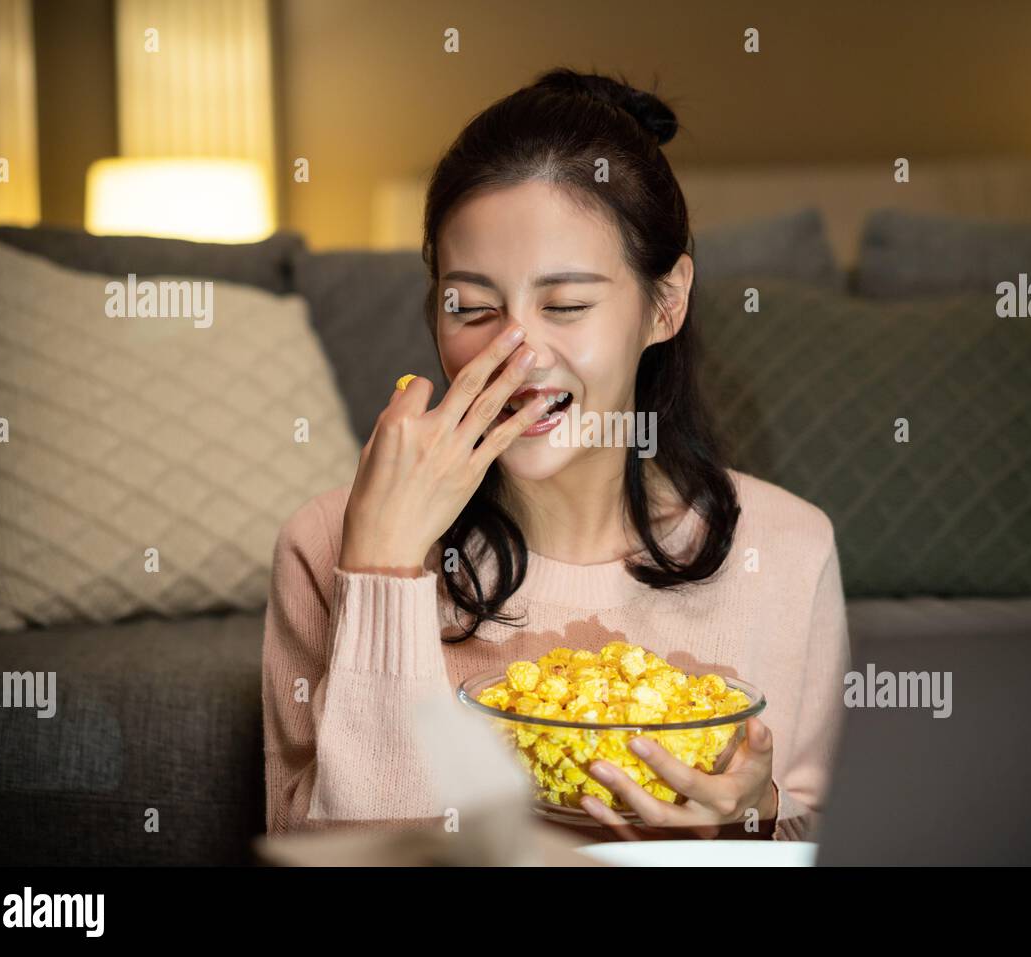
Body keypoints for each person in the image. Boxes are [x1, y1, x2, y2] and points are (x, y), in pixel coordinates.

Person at [262, 67, 851, 844]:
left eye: (566, 305)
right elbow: (339, 863)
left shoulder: (788, 549)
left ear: (665, 303)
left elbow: (829, 836)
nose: (515, 351)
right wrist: (381, 568)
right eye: (470, 306)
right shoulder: (326, 540)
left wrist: (756, 814)